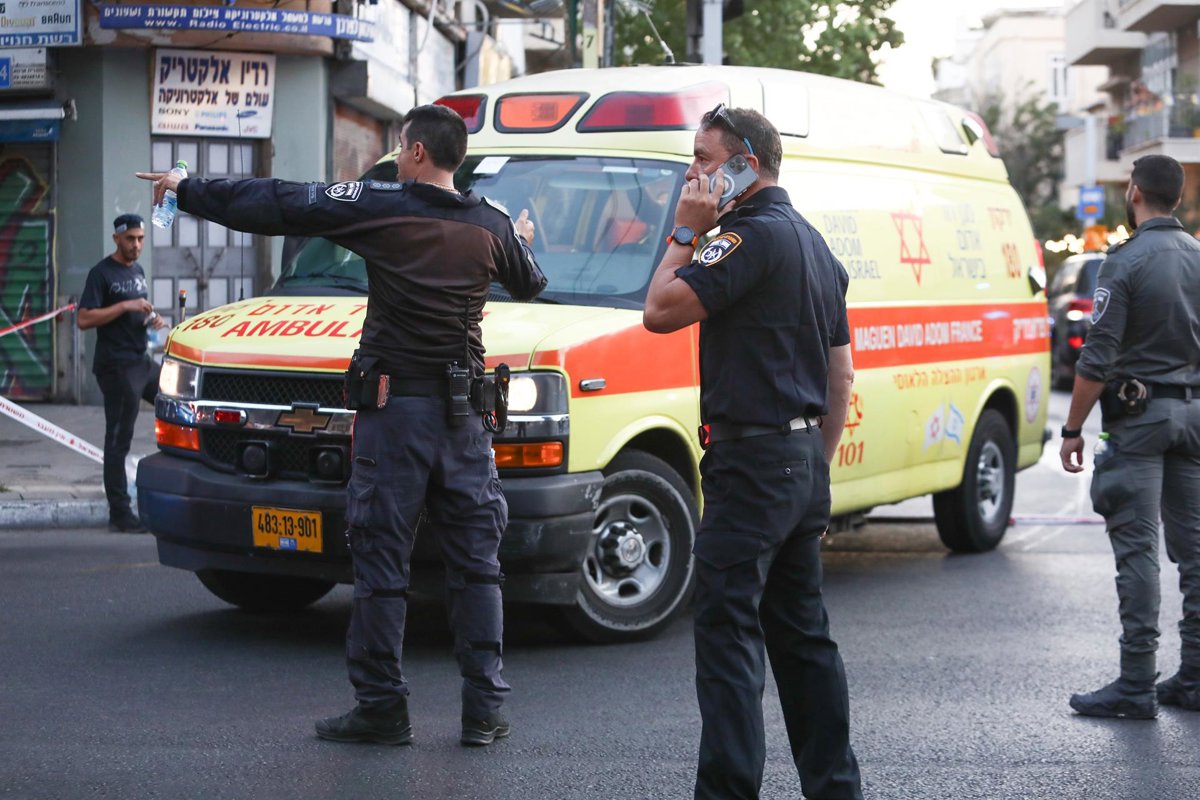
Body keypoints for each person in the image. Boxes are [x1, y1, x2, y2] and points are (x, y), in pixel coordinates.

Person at [137, 104, 547, 745]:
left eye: (399, 144)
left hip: (396, 416)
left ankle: (383, 708)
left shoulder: (384, 207)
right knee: (477, 565)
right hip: (466, 421)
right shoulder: (491, 225)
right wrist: (517, 235)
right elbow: (530, 283)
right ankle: (485, 711)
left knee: (383, 561)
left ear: (414, 154)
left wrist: (187, 189)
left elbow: (280, 202)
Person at [643, 104, 862, 799]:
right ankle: (835, 787)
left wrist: (686, 229)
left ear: (747, 163)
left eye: (705, 159)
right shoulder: (816, 245)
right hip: (800, 464)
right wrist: (814, 474)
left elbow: (660, 309)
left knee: (729, 633)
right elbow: (841, 375)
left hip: (752, 464)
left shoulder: (743, 239)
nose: (694, 173)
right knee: (803, 640)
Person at [1060, 153, 1200, 719]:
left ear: (1135, 192)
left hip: (1140, 421)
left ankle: (1136, 684)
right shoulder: (1197, 256)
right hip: (1193, 418)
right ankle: (1194, 675)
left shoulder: (1126, 261)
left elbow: (1098, 356)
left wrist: (1072, 428)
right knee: (1195, 555)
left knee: (1138, 551)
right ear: (1180, 197)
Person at [77, 214, 167, 533]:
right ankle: (120, 513)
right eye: (130, 239)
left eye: (141, 238)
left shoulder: (138, 270)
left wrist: (151, 317)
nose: (137, 244)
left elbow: (137, 308)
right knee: (118, 438)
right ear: (117, 238)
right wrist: (124, 307)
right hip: (116, 366)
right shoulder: (101, 274)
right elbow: (84, 319)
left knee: (177, 402)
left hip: (140, 360)